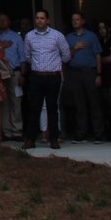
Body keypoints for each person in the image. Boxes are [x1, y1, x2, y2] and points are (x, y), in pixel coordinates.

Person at [21, 9, 70, 150]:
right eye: (37, 18)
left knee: (52, 108)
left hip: (53, 76)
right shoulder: (29, 36)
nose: (39, 20)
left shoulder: (57, 36)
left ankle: (53, 139)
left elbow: (66, 55)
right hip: (36, 76)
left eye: (42, 18)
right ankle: (30, 139)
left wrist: (55, 63)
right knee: (34, 108)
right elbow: (28, 56)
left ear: (47, 20)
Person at [64, 12, 105, 142]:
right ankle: (81, 133)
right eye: (73, 19)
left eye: (77, 19)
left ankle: (99, 134)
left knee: (94, 103)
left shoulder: (91, 36)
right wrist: (75, 48)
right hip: (74, 73)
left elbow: (98, 56)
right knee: (79, 103)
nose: (75, 21)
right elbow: (65, 57)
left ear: (83, 21)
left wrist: (98, 74)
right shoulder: (68, 37)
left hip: (89, 72)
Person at [0, 13, 25, 139]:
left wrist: (23, 74)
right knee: (3, 103)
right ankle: (6, 131)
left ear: (9, 22)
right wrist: (1, 45)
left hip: (14, 73)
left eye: (4, 20)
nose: (2, 22)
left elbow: (23, 57)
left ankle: (17, 130)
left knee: (16, 102)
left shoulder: (16, 37)